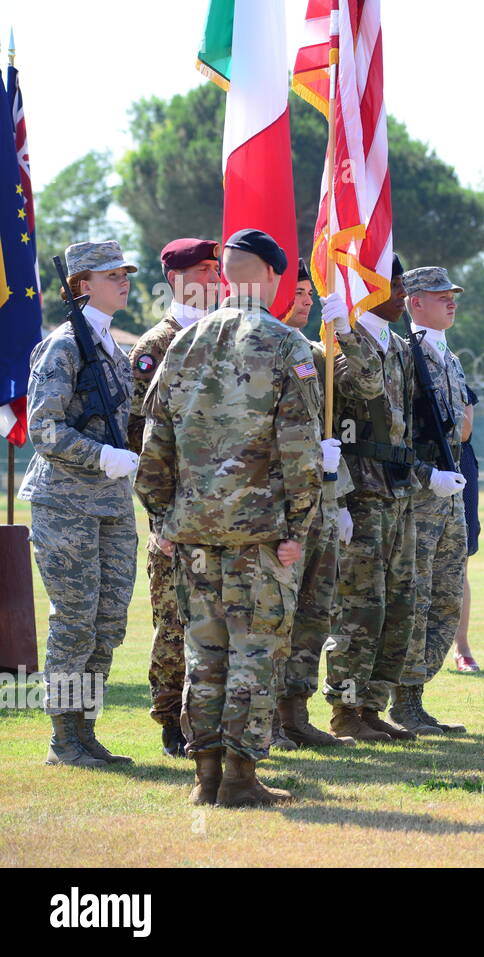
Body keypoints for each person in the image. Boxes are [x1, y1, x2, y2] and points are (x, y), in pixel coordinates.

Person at [136, 228, 323, 806]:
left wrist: (164, 519)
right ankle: (240, 779)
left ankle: (206, 778)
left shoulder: (184, 345)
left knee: (205, 652)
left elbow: (154, 444)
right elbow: (300, 450)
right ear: (272, 276)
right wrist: (298, 527)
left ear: (225, 277)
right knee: (256, 652)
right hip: (258, 534)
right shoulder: (285, 344)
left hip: (192, 532)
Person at [21, 240, 140, 768]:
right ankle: (62, 739)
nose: (125, 281)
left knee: (109, 620)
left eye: (126, 273)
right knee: (75, 619)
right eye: (111, 274)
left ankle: (86, 730)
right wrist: (101, 456)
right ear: (81, 284)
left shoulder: (111, 346)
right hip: (66, 501)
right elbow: (43, 429)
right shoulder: (63, 346)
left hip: (112, 503)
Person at [273, 259, 384, 748]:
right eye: (294, 291)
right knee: (273, 613)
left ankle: (295, 713)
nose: (302, 299)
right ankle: (268, 720)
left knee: (315, 613)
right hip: (272, 504)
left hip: (318, 499)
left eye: (306, 291)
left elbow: (368, 385)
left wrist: (345, 327)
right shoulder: (258, 349)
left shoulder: (314, 353)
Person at [126, 237, 222, 758]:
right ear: (178, 279)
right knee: (174, 618)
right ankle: (170, 721)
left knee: (220, 619)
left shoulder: (221, 338)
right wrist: (161, 517)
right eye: (206, 271)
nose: (215, 279)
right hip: (177, 513)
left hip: (223, 509)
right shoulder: (156, 347)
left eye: (217, 270)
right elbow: (142, 443)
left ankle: (212, 720)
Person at [322, 256, 422, 743]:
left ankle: (372, 704)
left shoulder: (400, 346)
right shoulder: (342, 344)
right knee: (360, 606)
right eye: (395, 284)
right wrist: (337, 499)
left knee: (400, 604)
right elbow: (362, 385)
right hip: (360, 489)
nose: (403, 294)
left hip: (398, 487)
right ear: (367, 287)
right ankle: (344, 709)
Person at [389, 266, 470, 735]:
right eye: (441, 296)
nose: (451, 302)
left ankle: (416, 697)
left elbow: (460, 427)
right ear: (415, 302)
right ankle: (402, 700)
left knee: (445, 596)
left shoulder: (447, 357)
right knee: (414, 598)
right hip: (419, 496)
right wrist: (426, 475)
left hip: (450, 495)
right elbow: (398, 431)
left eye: (452, 295)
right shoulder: (406, 356)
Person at [451, 383, 481, 672]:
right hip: (420, 466)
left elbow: (464, 431)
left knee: (459, 563)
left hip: (459, 467)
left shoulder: (455, 374)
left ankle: (462, 647)